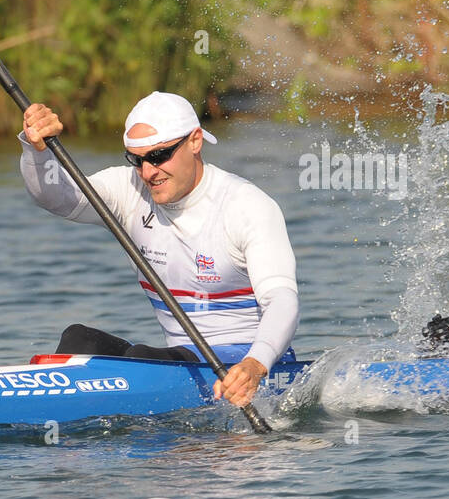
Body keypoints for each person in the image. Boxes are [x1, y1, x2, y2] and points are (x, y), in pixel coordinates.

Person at [19, 91, 298, 406]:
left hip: (251, 365)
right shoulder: (130, 191)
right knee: (77, 339)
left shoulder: (246, 206)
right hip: (176, 361)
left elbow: (282, 300)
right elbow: (57, 199)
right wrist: (37, 150)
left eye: (159, 156)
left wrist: (256, 363)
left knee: (141, 359)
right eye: (136, 160)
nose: (148, 172)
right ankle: (58, 430)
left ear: (195, 141)